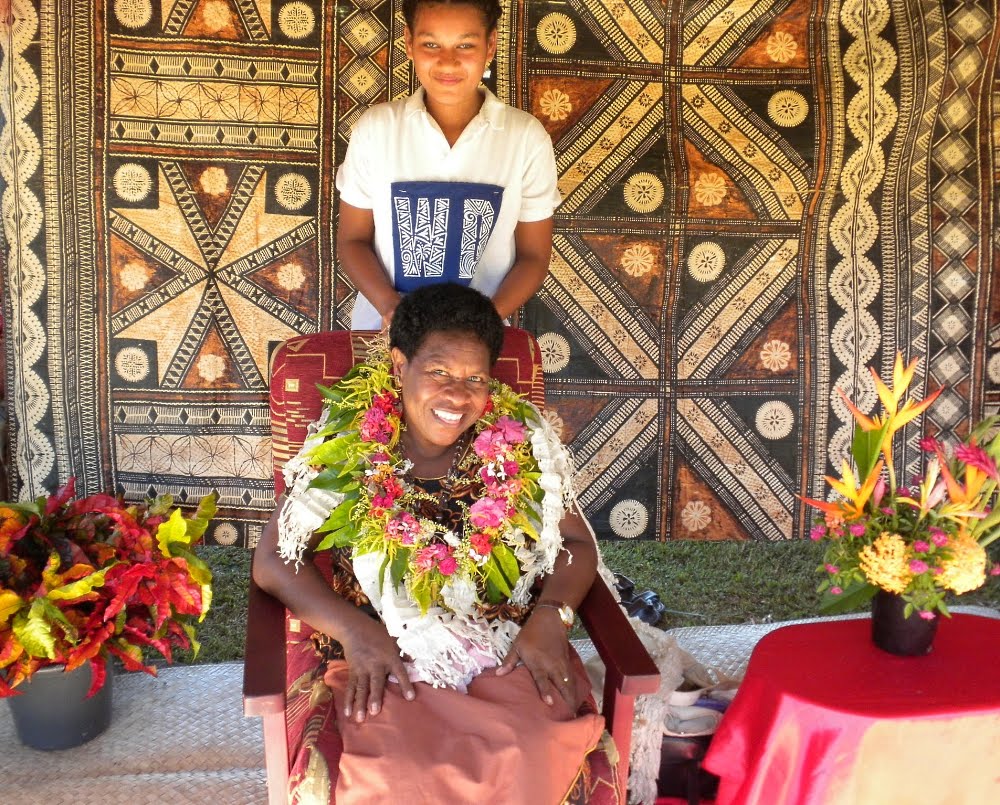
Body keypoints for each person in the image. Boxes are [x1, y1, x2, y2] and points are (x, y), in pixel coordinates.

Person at [253, 284, 618, 804]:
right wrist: (355, 634)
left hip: (500, 641)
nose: (458, 396)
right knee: (400, 776)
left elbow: (577, 542)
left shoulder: (520, 439)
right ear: (400, 367)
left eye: (475, 378)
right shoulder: (350, 438)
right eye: (440, 373)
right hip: (386, 650)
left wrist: (550, 614)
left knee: (528, 750)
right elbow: (273, 560)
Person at [336, 0, 561, 329]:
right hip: (382, 333)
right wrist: (390, 307)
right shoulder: (376, 129)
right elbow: (352, 240)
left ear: (490, 46)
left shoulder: (524, 137)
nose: (448, 61)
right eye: (431, 44)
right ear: (408, 43)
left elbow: (534, 257)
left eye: (465, 45)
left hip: (479, 341)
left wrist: (484, 321)